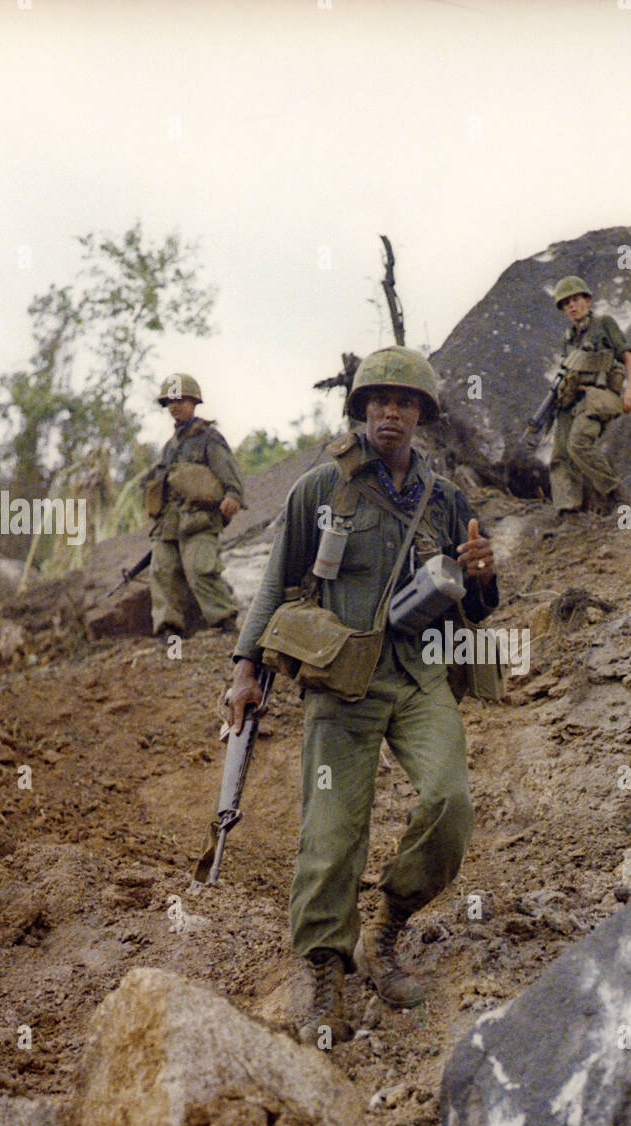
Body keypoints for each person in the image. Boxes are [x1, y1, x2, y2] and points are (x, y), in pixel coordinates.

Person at [226, 347, 499, 1046]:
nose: (391, 413)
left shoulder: (444, 499)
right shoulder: (321, 489)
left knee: (449, 800)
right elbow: (273, 582)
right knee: (333, 830)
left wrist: (483, 573)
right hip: (341, 677)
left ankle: (386, 930)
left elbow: (480, 602)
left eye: (405, 403)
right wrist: (244, 669)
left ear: (420, 416)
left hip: (417, 676)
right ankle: (322, 967)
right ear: (359, 409)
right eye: (378, 401)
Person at [143, 373, 245, 637]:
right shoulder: (169, 447)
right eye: (170, 402)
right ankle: (169, 629)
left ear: (193, 401)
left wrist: (232, 495)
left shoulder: (208, 438)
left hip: (199, 518)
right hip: (169, 522)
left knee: (201, 568)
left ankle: (224, 623)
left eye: (180, 400)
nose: (175, 406)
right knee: (162, 571)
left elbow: (228, 472)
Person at [547, 276, 631, 515]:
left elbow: (627, 356)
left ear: (587, 300)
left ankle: (617, 495)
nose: (572, 306)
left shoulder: (603, 323)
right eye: (566, 303)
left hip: (598, 397)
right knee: (560, 454)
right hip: (572, 401)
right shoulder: (568, 338)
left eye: (576, 299)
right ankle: (569, 511)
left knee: (578, 443)